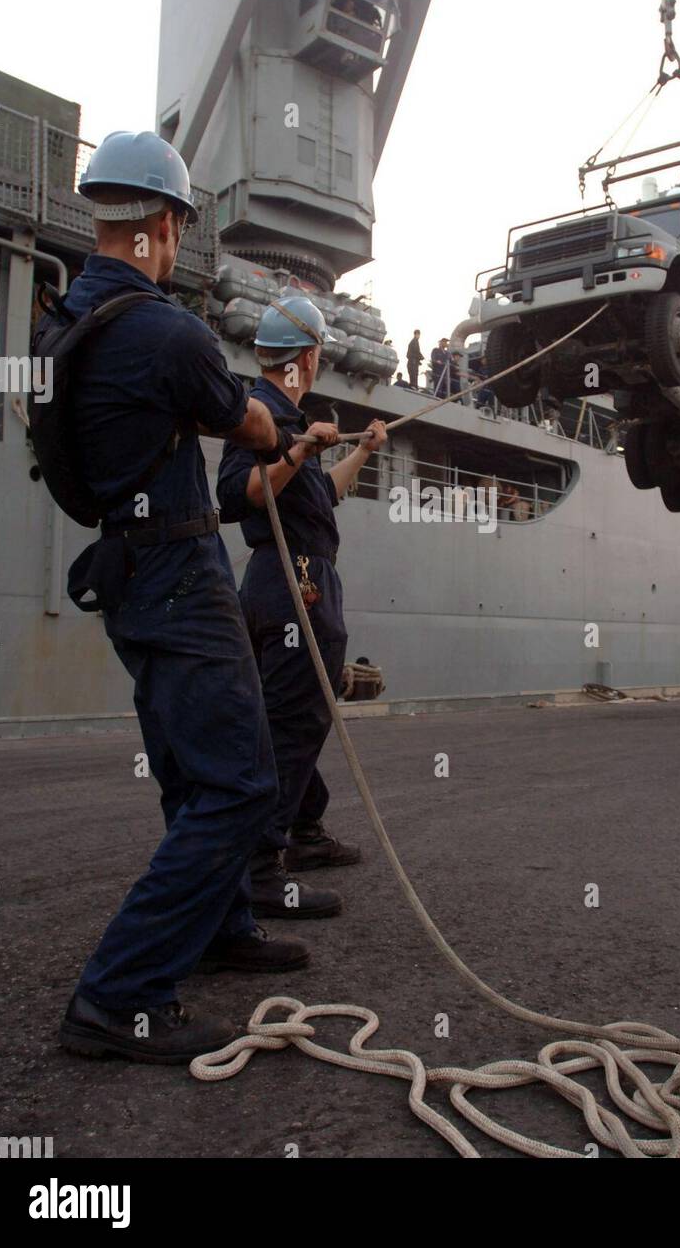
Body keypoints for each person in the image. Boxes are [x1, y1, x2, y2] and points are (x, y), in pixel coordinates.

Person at [56, 132, 306, 1066]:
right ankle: (118, 995)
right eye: (178, 228)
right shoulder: (164, 328)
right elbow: (245, 419)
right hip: (180, 577)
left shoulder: (71, 322)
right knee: (242, 783)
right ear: (162, 225)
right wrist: (275, 418)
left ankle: (218, 926)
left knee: (186, 772)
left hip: (129, 575)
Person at [217, 295, 387, 919]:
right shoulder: (263, 416)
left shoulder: (289, 416)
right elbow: (241, 495)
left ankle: (303, 831)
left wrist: (360, 452)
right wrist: (297, 453)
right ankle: (262, 871)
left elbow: (320, 497)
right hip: (295, 582)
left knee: (290, 715)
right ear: (310, 356)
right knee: (294, 721)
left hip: (283, 579)